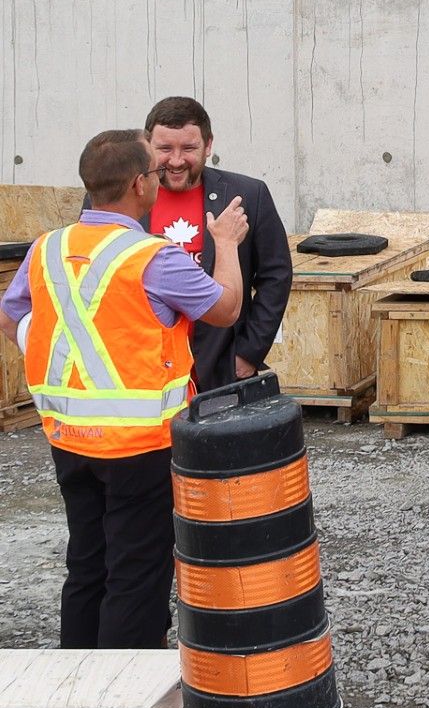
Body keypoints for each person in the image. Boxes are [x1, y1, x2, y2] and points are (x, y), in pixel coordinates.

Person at [4, 129, 246, 649]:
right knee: (136, 575)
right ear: (141, 183)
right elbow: (225, 309)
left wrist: (55, 359)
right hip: (140, 446)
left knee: (87, 563)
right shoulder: (152, 258)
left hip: (69, 437)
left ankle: (79, 689)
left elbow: (11, 316)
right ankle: (121, 703)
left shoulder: (47, 248)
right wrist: (224, 244)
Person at [143, 96, 292, 390]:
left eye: (188, 148)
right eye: (164, 149)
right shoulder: (125, 198)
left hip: (218, 366)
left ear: (208, 145)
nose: (175, 160)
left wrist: (249, 352)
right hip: (144, 367)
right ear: (147, 146)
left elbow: (276, 275)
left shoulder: (248, 193)